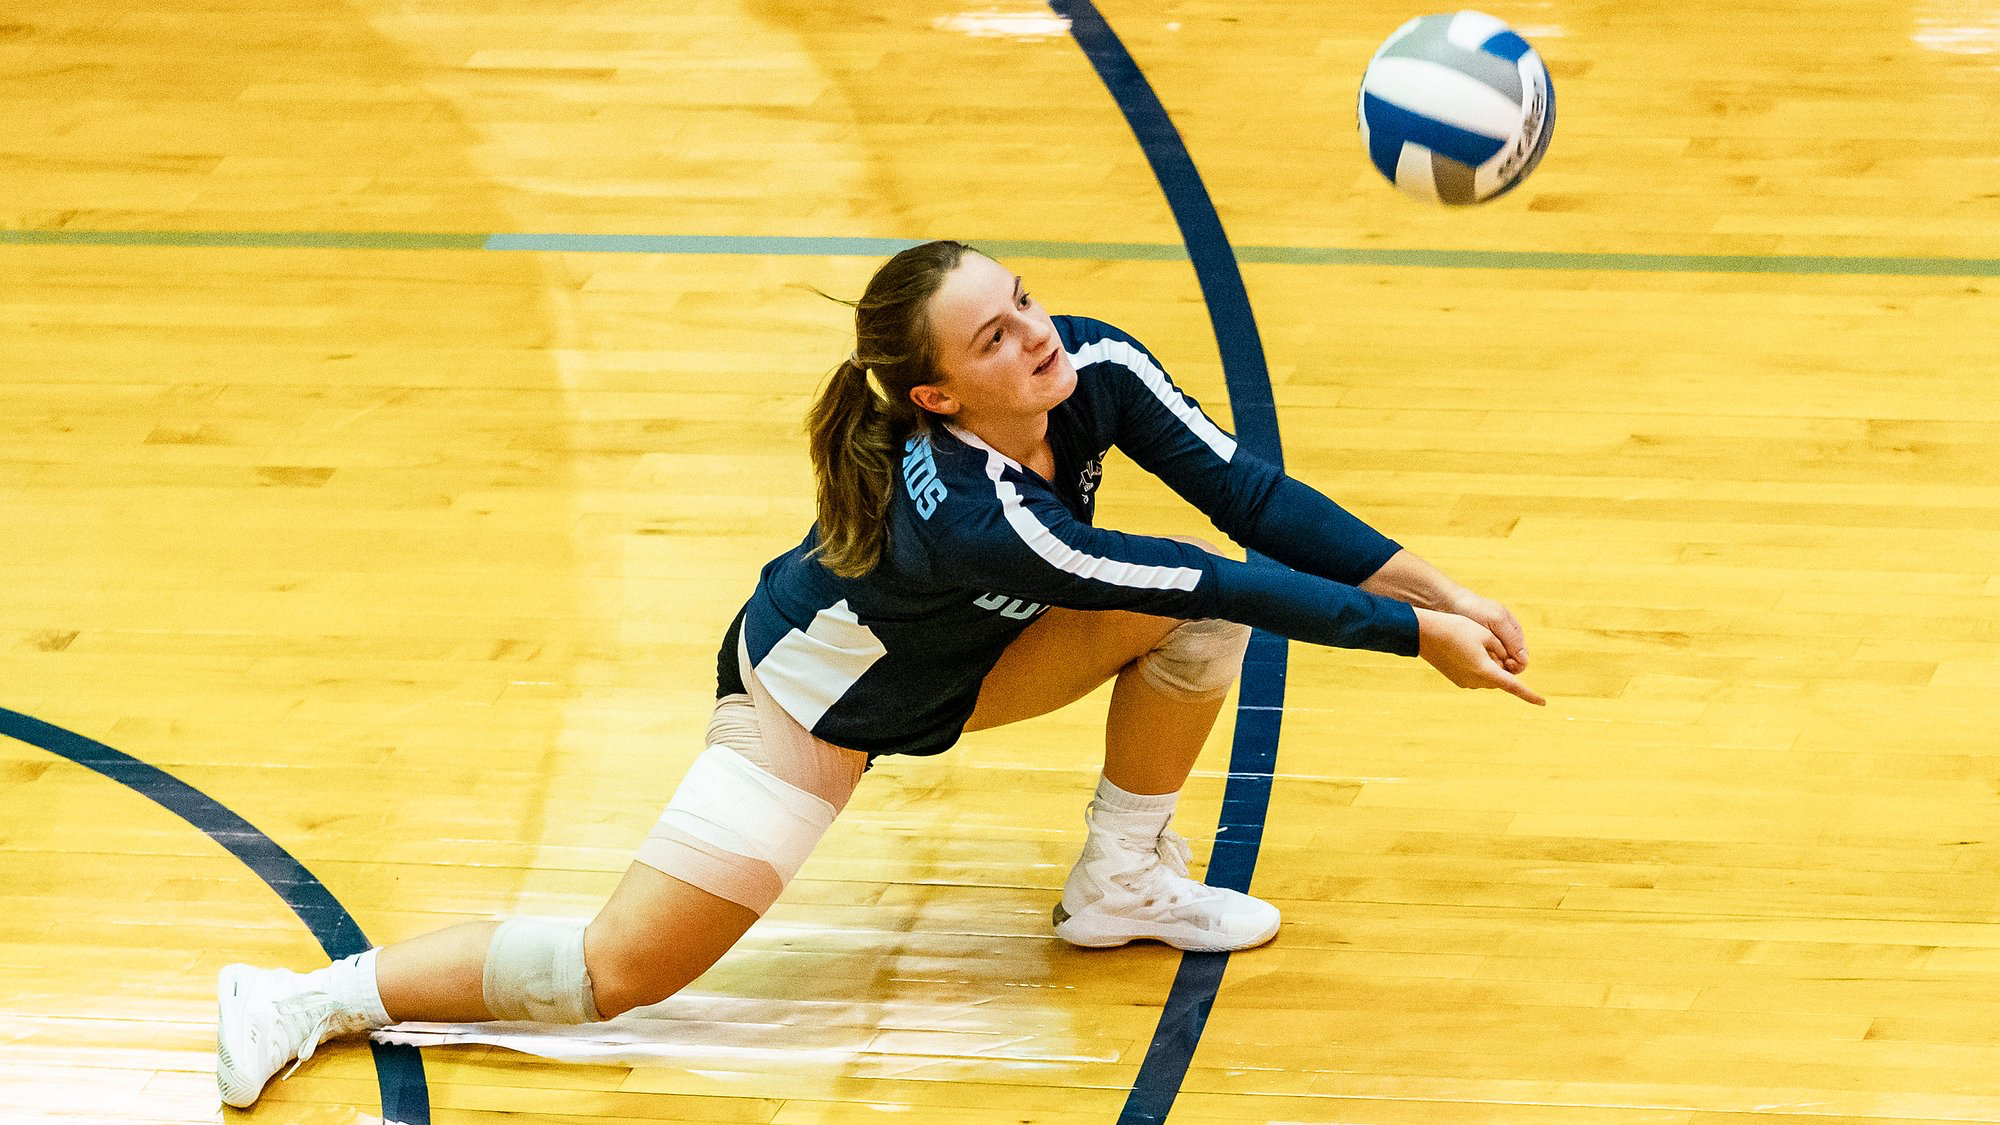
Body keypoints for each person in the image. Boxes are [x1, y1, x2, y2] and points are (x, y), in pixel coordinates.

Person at [215, 239, 1541, 1107]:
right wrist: (1412, 642)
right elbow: (1197, 573)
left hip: (965, 668)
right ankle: (310, 998)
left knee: (1192, 628)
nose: (1034, 336)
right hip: (811, 707)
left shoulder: (1092, 366)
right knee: (614, 975)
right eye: (993, 339)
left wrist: (1443, 593)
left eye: (1022, 302)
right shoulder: (972, 513)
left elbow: (1247, 498)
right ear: (939, 398)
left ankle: (1121, 881)